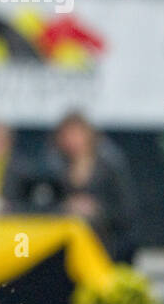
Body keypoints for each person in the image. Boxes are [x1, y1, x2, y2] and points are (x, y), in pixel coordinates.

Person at [44, 111, 137, 262]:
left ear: (89, 135)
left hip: (104, 236)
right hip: (61, 237)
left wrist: (95, 209)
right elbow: (42, 205)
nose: (72, 141)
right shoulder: (54, 166)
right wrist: (66, 206)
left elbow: (125, 210)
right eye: (67, 135)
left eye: (76, 134)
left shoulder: (110, 166)